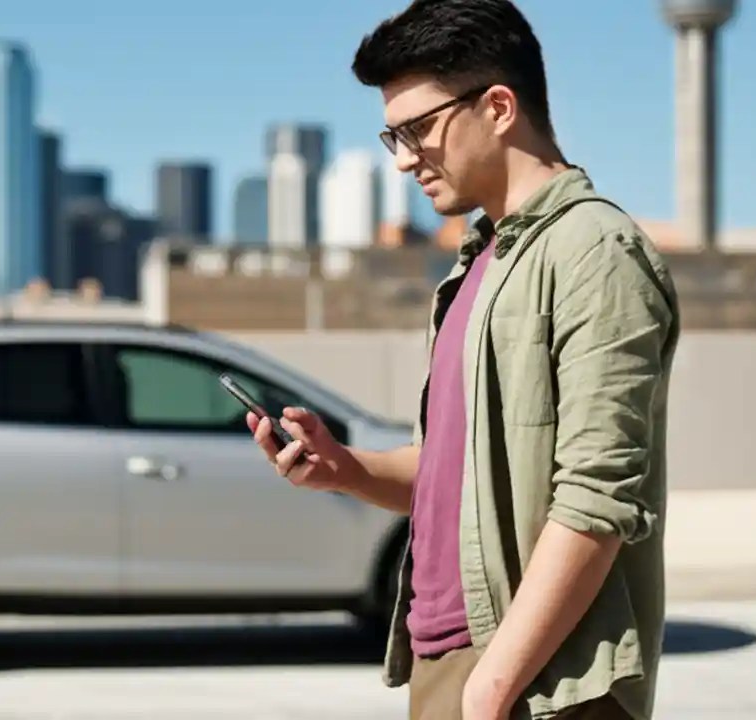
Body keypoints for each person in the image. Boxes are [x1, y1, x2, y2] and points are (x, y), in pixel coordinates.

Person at [244, 1, 681, 718]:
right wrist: (346, 471)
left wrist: (494, 685)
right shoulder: (478, 264)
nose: (404, 158)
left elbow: (598, 500)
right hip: (449, 657)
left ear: (500, 106)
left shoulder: (594, 252)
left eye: (418, 129)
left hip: (543, 680)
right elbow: (451, 471)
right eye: (392, 135)